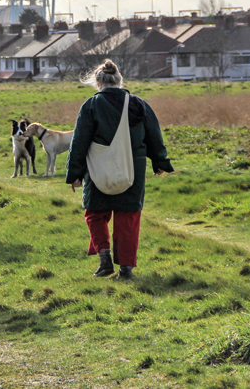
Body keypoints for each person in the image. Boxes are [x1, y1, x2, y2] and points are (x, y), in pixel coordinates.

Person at [64, 59, 173, 280]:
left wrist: (75, 173)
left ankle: (104, 258)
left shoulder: (91, 105)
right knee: (128, 217)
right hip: (133, 168)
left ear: (98, 82)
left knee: (94, 213)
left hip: (98, 168)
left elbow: (79, 142)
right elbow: (154, 135)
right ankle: (126, 270)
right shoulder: (139, 104)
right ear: (119, 81)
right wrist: (160, 162)